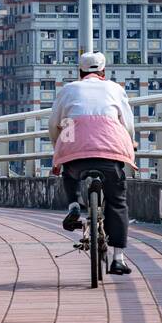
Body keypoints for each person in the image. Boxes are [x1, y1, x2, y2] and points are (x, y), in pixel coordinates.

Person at [49, 51, 137, 275]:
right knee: (117, 202)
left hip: (75, 153)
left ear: (79, 72)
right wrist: (131, 143)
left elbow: (54, 124)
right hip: (110, 153)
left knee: (68, 172)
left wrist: (59, 150)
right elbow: (127, 124)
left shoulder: (68, 90)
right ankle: (118, 258)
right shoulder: (115, 89)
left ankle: (74, 206)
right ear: (103, 72)